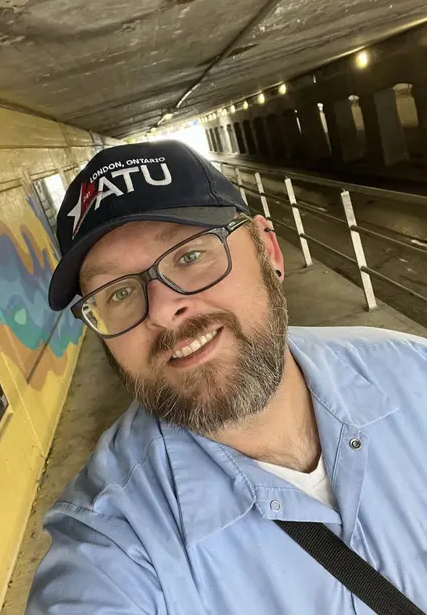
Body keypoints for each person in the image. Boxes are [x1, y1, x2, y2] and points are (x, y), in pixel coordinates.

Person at [27, 141, 427, 614]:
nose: (162, 310)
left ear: (269, 251)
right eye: (117, 294)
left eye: (190, 256)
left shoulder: (414, 372)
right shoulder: (114, 541)